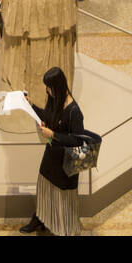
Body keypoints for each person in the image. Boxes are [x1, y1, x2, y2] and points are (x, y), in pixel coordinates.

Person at [19, 66, 86, 236]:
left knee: (61, 198)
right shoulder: (54, 100)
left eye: (49, 87)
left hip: (66, 164)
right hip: (51, 156)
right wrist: (31, 106)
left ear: (57, 86)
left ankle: (62, 228)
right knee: (44, 187)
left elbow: (78, 140)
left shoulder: (74, 111)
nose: (47, 91)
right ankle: (40, 218)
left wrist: (53, 134)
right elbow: (48, 117)